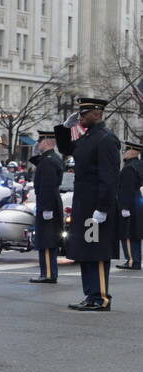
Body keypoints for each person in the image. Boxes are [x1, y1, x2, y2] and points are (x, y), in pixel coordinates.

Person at [55, 97, 121, 311]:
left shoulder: (105, 139)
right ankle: (90, 295)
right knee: (86, 251)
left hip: (96, 206)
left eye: (84, 114)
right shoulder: (88, 138)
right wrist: (66, 128)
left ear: (97, 114)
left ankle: (101, 297)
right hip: (84, 204)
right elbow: (67, 149)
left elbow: (109, 177)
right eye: (80, 115)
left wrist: (102, 208)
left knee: (98, 252)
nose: (81, 118)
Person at [29, 130, 64, 284]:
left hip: (48, 203)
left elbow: (48, 186)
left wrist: (48, 208)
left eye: (40, 141)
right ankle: (47, 272)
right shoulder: (49, 158)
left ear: (48, 142)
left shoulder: (49, 160)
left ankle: (49, 273)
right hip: (48, 202)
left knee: (48, 239)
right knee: (45, 238)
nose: (38, 144)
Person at [118, 140, 143, 270]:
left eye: (125, 150)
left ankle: (131, 260)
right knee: (136, 233)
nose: (124, 153)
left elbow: (126, 189)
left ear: (132, 152)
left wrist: (124, 207)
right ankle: (136, 259)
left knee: (127, 233)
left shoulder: (128, 168)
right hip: (137, 201)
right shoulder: (139, 165)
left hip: (129, 203)